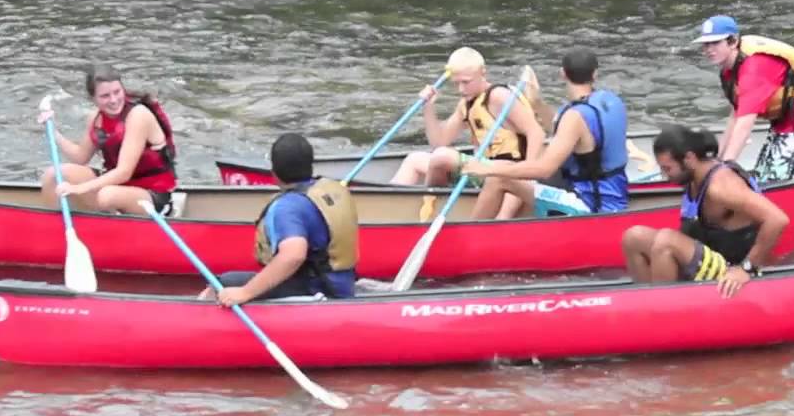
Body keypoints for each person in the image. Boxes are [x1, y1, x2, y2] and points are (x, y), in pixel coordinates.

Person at [621, 125, 789, 299]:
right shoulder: (694, 176)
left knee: (666, 241)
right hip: (706, 258)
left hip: (730, 268)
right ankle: (644, 302)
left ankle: (663, 312)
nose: (665, 176)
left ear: (689, 159)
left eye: (668, 169)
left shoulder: (721, 187)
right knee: (633, 237)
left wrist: (746, 268)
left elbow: (778, 219)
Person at [462, 48, 630, 218]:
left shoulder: (575, 115)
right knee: (512, 170)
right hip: (614, 193)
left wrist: (487, 169)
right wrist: (537, 102)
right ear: (595, 74)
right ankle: (503, 221)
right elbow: (561, 130)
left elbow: (544, 170)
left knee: (498, 179)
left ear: (562, 74)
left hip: (590, 205)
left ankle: (471, 236)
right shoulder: (611, 101)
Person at [201, 133, 359, 307]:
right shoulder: (329, 188)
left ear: (274, 173)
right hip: (341, 286)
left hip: (318, 292)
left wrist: (244, 293)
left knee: (222, 283)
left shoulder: (287, 208)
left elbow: (293, 256)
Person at [388, 47, 547, 219]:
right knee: (415, 159)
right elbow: (438, 142)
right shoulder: (467, 103)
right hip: (480, 170)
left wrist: (528, 170)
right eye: (457, 83)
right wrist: (428, 107)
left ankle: (432, 208)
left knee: (442, 157)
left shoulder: (499, 96)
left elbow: (536, 132)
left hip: (507, 171)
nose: (461, 89)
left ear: (482, 73)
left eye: (466, 82)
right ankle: (389, 208)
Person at [691, 15, 794, 183]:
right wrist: (719, 160)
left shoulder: (753, 69)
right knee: (762, 177)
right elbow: (736, 116)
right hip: (784, 122)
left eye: (715, 43)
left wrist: (723, 170)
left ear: (733, 42)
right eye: (705, 44)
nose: (709, 49)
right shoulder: (729, 68)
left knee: (778, 183)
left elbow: (744, 126)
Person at [39, 63, 179, 215]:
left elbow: (124, 172)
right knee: (52, 175)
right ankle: (53, 227)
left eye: (117, 92)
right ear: (93, 98)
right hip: (119, 184)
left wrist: (79, 188)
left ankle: (109, 222)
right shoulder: (96, 118)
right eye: (105, 96)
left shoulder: (138, 115)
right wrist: (53, 132)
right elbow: (80, 158)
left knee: (106, 196)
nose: (113, 100)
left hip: (153, 194)